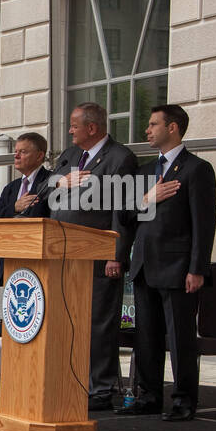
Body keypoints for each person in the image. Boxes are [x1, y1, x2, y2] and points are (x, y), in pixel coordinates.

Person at [115, 104, 216, 422]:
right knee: (147, 337)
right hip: (145, 266)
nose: (147, 130)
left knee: (180, 339)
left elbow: (204, 223)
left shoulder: (197, 169)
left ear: (172, 128)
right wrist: (148, 198)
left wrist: (197, 268)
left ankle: (184, 400)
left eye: (153, 124)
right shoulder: (145, 172)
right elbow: (125, 215)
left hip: (178, 269)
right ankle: (149, 396)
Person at [46, 101, 139, 410]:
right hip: (62, 252)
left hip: (99, 256)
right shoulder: (70, 156)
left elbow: (121, 211)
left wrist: (116, 254)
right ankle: (69, 381)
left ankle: (100, 389)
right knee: (67, 321)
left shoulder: (120, 157)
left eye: (74, 125)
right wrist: (60, 181)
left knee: (98, 323)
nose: (69, 130)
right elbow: (47, 188)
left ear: (92, 128)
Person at [0, 132, 52, 284]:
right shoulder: (11, 188)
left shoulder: (51, 182)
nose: (16, 156)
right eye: (16, 152)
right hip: (12, 262)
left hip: (40, 263)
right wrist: (14, 208)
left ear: (39, 156)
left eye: (23, 152)